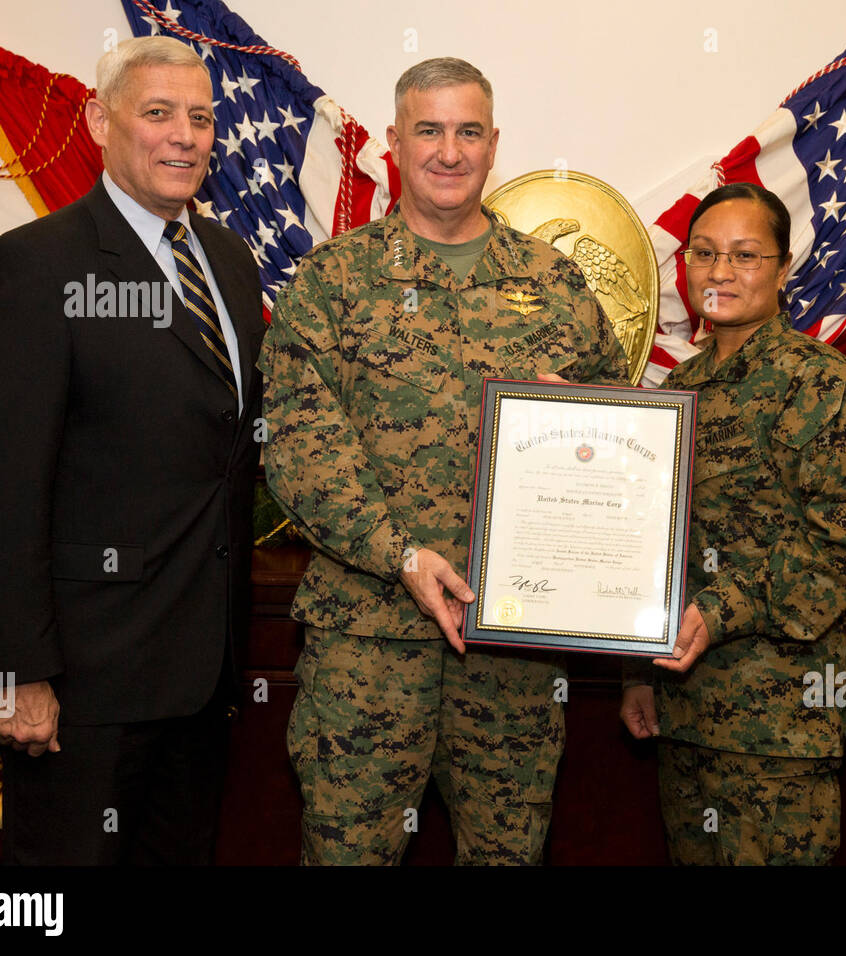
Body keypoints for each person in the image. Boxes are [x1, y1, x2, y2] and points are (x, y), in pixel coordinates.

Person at [259, 57, 627, 865]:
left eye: (468, 132)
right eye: (429, 130)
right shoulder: (334, 283)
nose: (449, 151)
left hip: (515, 652)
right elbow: (299, 446)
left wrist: (580, 424)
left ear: (494, 144)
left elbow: (620, 460)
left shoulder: (555, 285)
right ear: (394, 141)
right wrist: (401, 555)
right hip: (368, 645)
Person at [0, 36, 264, 864]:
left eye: (201, 118)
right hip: (84, 690)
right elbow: (0, 488)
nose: (184, 136)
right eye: (158, 112)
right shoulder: (37, 265)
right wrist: (19, 672)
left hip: (205, 680)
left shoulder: (232, 265)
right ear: (99, 120)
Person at [619, 183, 846, 865]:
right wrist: (636, 673)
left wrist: (718, 609)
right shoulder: (678, 391)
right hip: (686, 714)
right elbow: (653, 545)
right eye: (704, 254)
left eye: (744, 256)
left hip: (778, 729)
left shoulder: (820, 383)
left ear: (781, 267)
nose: (720, 272)